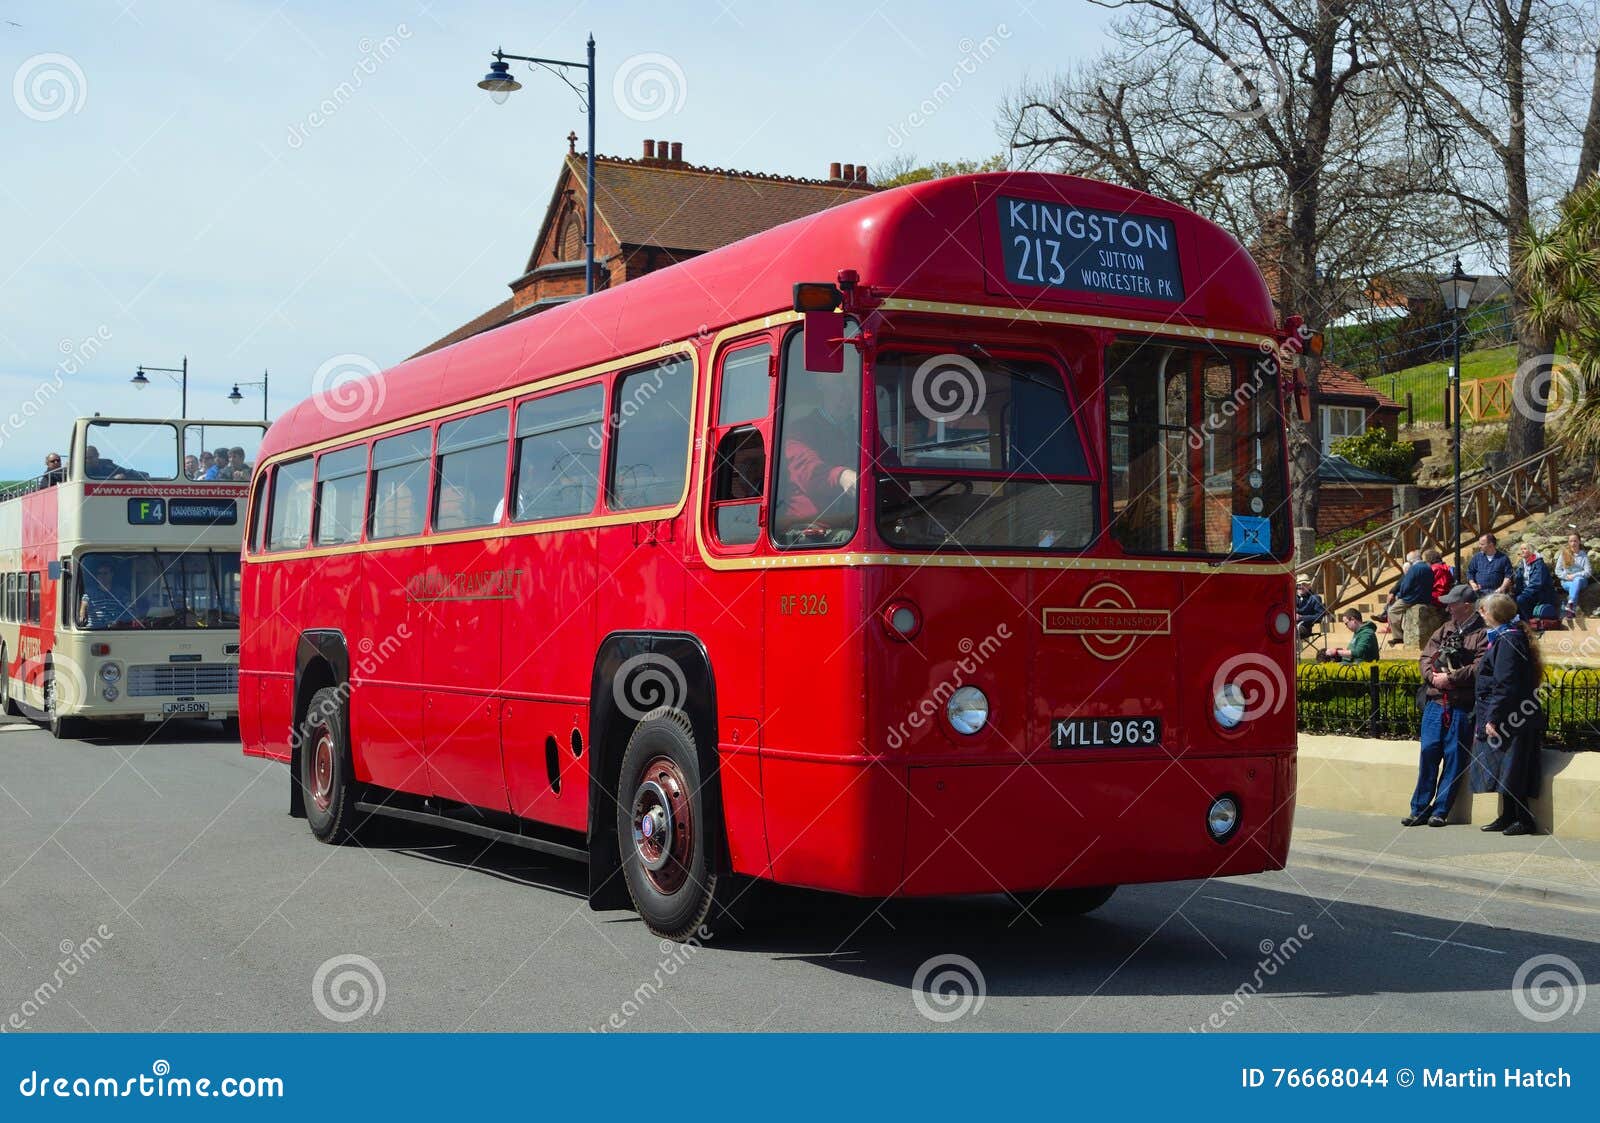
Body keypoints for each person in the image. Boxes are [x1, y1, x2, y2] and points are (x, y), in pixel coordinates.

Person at [1404, 584, 1488, 827]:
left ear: (1467, 606)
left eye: (1452, 603)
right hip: (1435, 702)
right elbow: (1425, 657)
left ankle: (1440, 811)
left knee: (1454, 757)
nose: (1448, 607)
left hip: (1461, 705)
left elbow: (1481, 666)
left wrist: (1452, 678)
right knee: (1429, 751)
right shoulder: (1445, 629)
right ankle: (1418, 809)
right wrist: (1433, 677)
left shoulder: (1482, 633)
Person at [1469, 593, 1544, 835]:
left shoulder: (1508, 641)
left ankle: (1524, 819)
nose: (1481, 614)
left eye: (1483, 611)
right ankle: (1508, 815)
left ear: (1493, 614)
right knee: (1503, 769)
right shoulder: (1505, 637)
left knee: (1514, 769)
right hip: (1509, 715)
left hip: (1513, 717)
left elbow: (1505, 682)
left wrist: (1494, 717)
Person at [776, 371, 859, 540]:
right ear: (822, 385)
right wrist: (842, 476)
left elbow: (888, 469)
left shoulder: (864, 431)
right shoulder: (800, 430)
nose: (846, 392)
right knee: (846, 539)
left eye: (853, 384)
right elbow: (810, 473)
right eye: (840, 383)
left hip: (856, 523)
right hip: (809, 529)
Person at [1387, 550, 1436, 647]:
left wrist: (1400, 595)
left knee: (1392, 611)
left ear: (1411, 561)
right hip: (1426, 597)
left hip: (1412, 598)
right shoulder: (1428, 568)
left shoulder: (1414, 569)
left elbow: (1405, 586)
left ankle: (1398, 636)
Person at [77, 558, 134, 629]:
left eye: (105, 573)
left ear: (112, 574)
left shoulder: (121, 592)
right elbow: (84, 603)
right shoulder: (90, 592)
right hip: (93, 629)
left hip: (114, 630)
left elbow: (129, 606)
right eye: (99, 573)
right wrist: (82, 615)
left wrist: (121, 620)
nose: (102, 576)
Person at [1513, 542, 1556, 620]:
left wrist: (1523, 594)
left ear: (1531, 551)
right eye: (1521, 549)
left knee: (1520, 599)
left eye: (1525, 549)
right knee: (1510, 599)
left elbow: (1537, 583)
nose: (1522, 551)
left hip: (1540, 594)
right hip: (1528, 592)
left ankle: (1529, 622)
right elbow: (1518, 581)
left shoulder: (1539, 564)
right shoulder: (1522, 564)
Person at [1466, 533, 1513, 599]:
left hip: (1496, 594)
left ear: (1490, 545)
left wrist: (1502, 588)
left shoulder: (1503, 558)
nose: (1479, 546)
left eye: (1482, 544)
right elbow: (1470, 572)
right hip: (1479, 593)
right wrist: (1472, 583)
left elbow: (1508, 575)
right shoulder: (1477, 557)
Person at [1556, 533, 1591, 619]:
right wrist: (1566, 576)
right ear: (1568, 542)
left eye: (1575, 541)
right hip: (1566, 582)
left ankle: (1570, 605)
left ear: (1579, 542)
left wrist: (1575, 575)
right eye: (1571, 541)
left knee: (1577, 580)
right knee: (1572, 585)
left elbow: (1588, 572)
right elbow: (1557, 570)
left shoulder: (1583, 555)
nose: (1573, 543)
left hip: (1581, 582)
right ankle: (1571, 608)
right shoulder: (1564, 554)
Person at [1295, 574, 1326, 641]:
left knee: (1290, 632)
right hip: (1291, 626)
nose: (1300, 587)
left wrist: (1301, 617)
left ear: (1309, 586)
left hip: (1305, 627)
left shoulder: (1315, 598)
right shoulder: (1292, 598)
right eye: (1298, 585)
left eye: (1303, 584)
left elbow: (1319, 616)